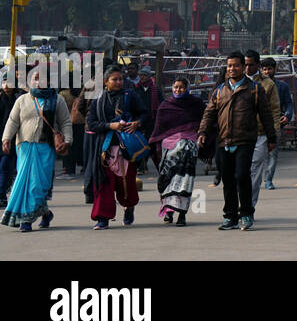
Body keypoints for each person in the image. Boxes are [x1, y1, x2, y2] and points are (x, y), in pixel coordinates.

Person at [197, 52, 276, 231]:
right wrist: (202, 132)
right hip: (224, 140)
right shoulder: (219, 91)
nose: (232, 69)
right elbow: (209, 113)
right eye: (229, 66)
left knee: (242, 176)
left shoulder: (255, 89)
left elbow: (266, 115)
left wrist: (272, 138)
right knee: (228, 179)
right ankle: (230, 216)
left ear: (243, 67)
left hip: (245, 140)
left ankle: (246, 214)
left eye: (236, 65)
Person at [1, 70, 72, 231]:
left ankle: (40, 213)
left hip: (46, 148)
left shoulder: (57, 100)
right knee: (25, 183)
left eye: (43, 79)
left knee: (38, 185)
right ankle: (28, 219)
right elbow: (12, 121)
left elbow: (66, 122)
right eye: (35, 79)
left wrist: (67, 140)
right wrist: (6, 139)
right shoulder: (22, 100)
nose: (38, 82)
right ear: (29, 81)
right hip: (25, 148)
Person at [85, 66, 152, 230]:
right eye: (114, 79)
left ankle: (129, 207)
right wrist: (110, 125)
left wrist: (137, 123)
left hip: (126, 148)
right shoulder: (98, 99)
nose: (118, 82)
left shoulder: (130, 96)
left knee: (126, 183)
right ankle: (103, 218)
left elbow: (145, 113)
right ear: (106, 82)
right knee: (103, 183)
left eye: (120, 79)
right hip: (104, 148)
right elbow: (92, 123)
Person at [149, 77, 205, 226]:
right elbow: (159, 130)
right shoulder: (166, 106)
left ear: (187, 88)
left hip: (189, 148)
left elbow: (205, 122)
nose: (177, 90)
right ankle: (168, 210)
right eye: (175, 87)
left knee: (184, 182)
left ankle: (182, 214)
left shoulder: (196, 104)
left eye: (181, 87)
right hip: (169, 149)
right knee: (167, 179)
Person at [242, 50, 282, 213]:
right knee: (238, 173)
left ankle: (248, 208)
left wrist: (273, 136)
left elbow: (274, 110)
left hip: (260, 134)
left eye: (251, 65)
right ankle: (235, 207)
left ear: (258, 65)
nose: (247, 68)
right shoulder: (232, 82)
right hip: (237, 134)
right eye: (244, 64)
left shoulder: (268, 85)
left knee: (255, 173)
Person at [260, 57, 293, 191]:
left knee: (272, 153)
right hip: (258, 125)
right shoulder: (256, 85)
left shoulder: (282, 86)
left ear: (275, 70)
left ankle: (268, 180)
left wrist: (288, 115)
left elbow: (288, 104)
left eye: (269, 69)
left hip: (275, 124)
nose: (267, 72)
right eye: (265, 69)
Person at [0, 77, 18, 206]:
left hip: (11, 139)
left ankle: (2, 194)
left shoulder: (19, 98)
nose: (6, 85)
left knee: (5, 167)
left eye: (9, 82)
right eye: (4, 82)